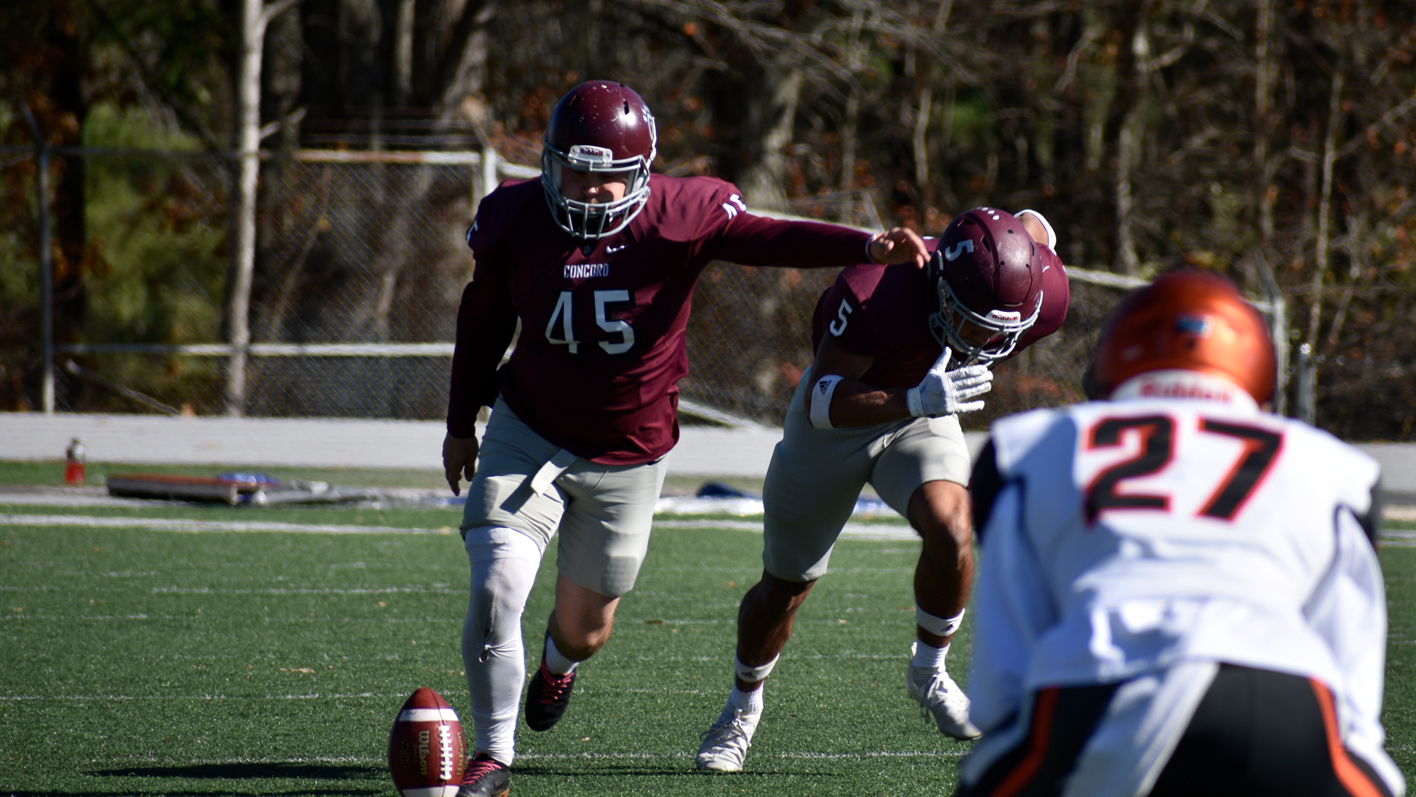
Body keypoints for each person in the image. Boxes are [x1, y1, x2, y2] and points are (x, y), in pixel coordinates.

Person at [441, 79, 930, 797]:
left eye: (608, 177)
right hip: (529, 429)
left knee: (584, 630)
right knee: (495, 586)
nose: (589, 191)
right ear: (549, 162)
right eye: (576, 171)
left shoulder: (680, 215)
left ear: (641, 174)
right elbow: (482, 321)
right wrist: (460, 422)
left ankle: (557, 665)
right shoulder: (515, 217)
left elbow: (768, 237)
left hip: (629, 451)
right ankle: (493, 754)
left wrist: (863, 245)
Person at [955, 269, 1405, 797]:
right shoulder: (1328, 464)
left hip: (1098, 684)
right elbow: (1349, 659)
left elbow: (1002, 679)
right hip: (1280, 696)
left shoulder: (1030, 446)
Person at [696, 207, 1071, 772]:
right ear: (940, 289)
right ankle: (740, 708)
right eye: (972, 323)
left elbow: (1034, 227)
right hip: (846, 411)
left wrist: (923, 402)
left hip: (922, 407)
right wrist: (915, 399)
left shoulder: (1044, 295)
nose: (986, 340)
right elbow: (821, 401)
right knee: (785, 587)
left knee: (952, 527)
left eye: (1001, 328)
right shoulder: (879, 290)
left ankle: (929, 670)